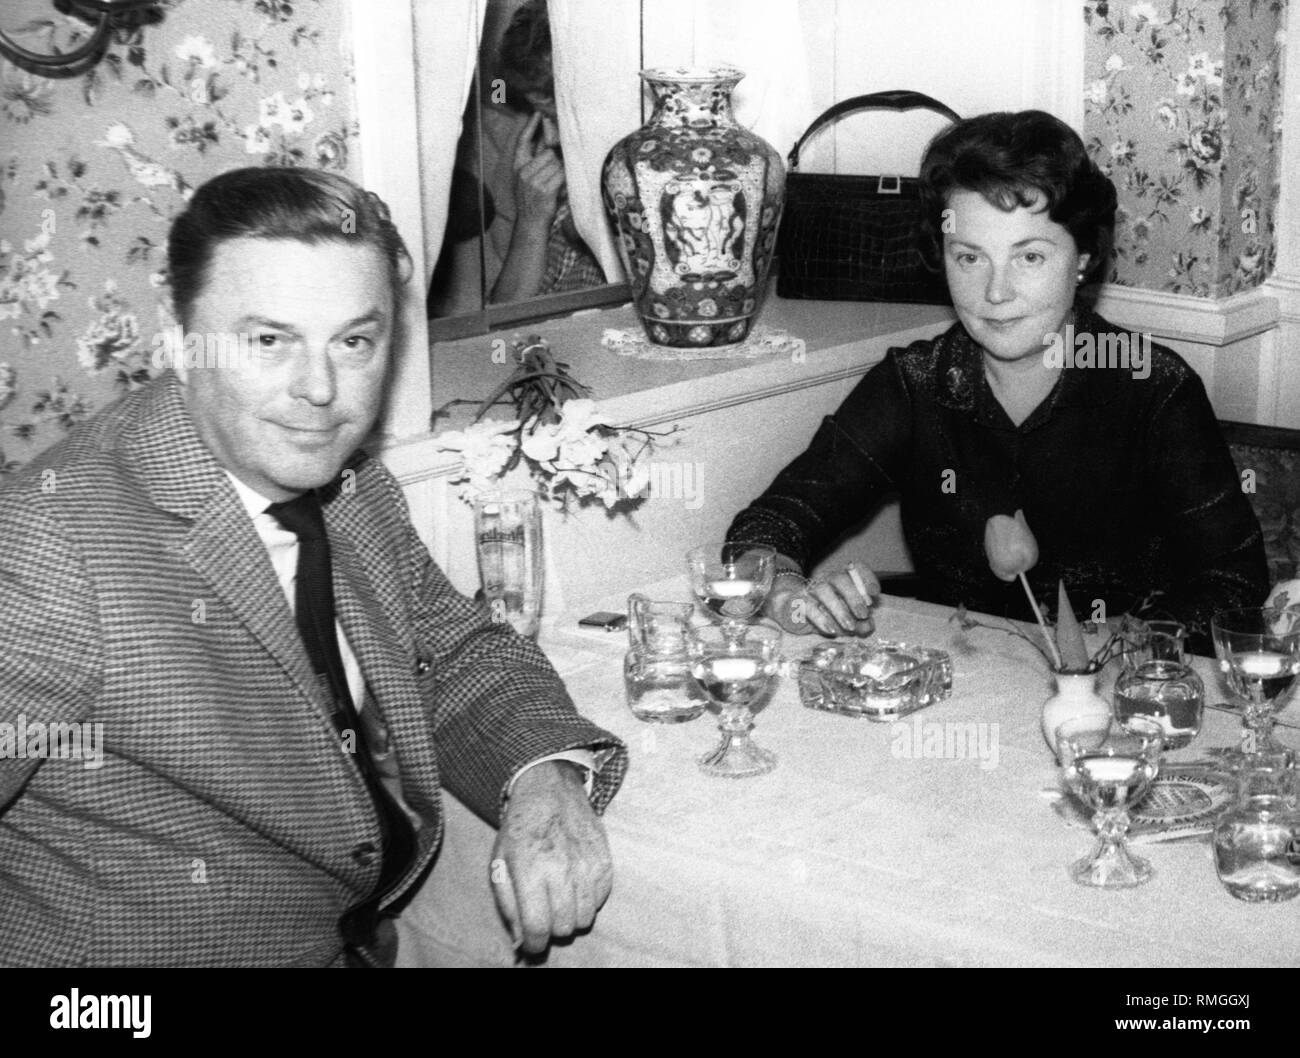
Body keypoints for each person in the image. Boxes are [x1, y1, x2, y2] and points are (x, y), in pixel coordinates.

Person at [0, 166, 626, 967]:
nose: (322, 390)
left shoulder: (349, 485)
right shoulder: (49, 546)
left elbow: (452, 656)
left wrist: (544, 777)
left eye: (354, 341)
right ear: (178, 338)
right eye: (269, 341)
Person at [728, 109, 1266, 645]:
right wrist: (784, 591)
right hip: (963, 682)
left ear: (1082, 257)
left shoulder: (1153, 388)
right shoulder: (913, 384)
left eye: (1029, 256)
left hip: (1123, 693)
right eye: (970, 258)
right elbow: (769, 525)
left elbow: (1233, 578)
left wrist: (1137, 643)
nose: (995, 292)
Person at [427, 0, 605, 316]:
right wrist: (532, 219)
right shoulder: (544, 177)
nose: (549, 138)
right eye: (539, 114)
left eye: (557, 117)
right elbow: (504, 328)